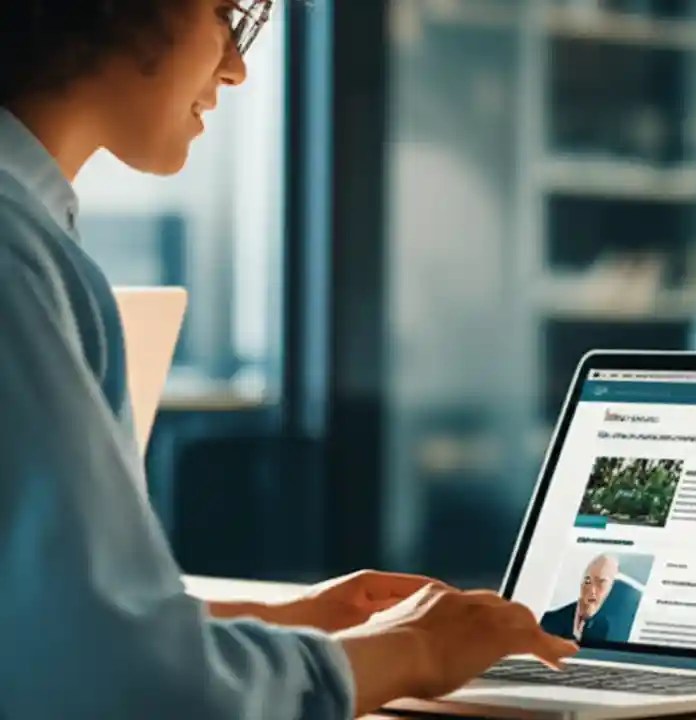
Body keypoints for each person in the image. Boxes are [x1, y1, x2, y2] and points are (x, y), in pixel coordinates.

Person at [0, 1, 576, 718]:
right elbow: (124, 685)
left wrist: (286, 622)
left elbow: (36, 625)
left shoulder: (31, 231)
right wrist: (416, 652)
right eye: (225, 14)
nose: (237, 66)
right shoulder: (13, 255)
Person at [541, 554, 620, 642]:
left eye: (601, 582)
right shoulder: (549, 621)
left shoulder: (603, 626)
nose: (592, 590)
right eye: (587, 580)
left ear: (611, 587)